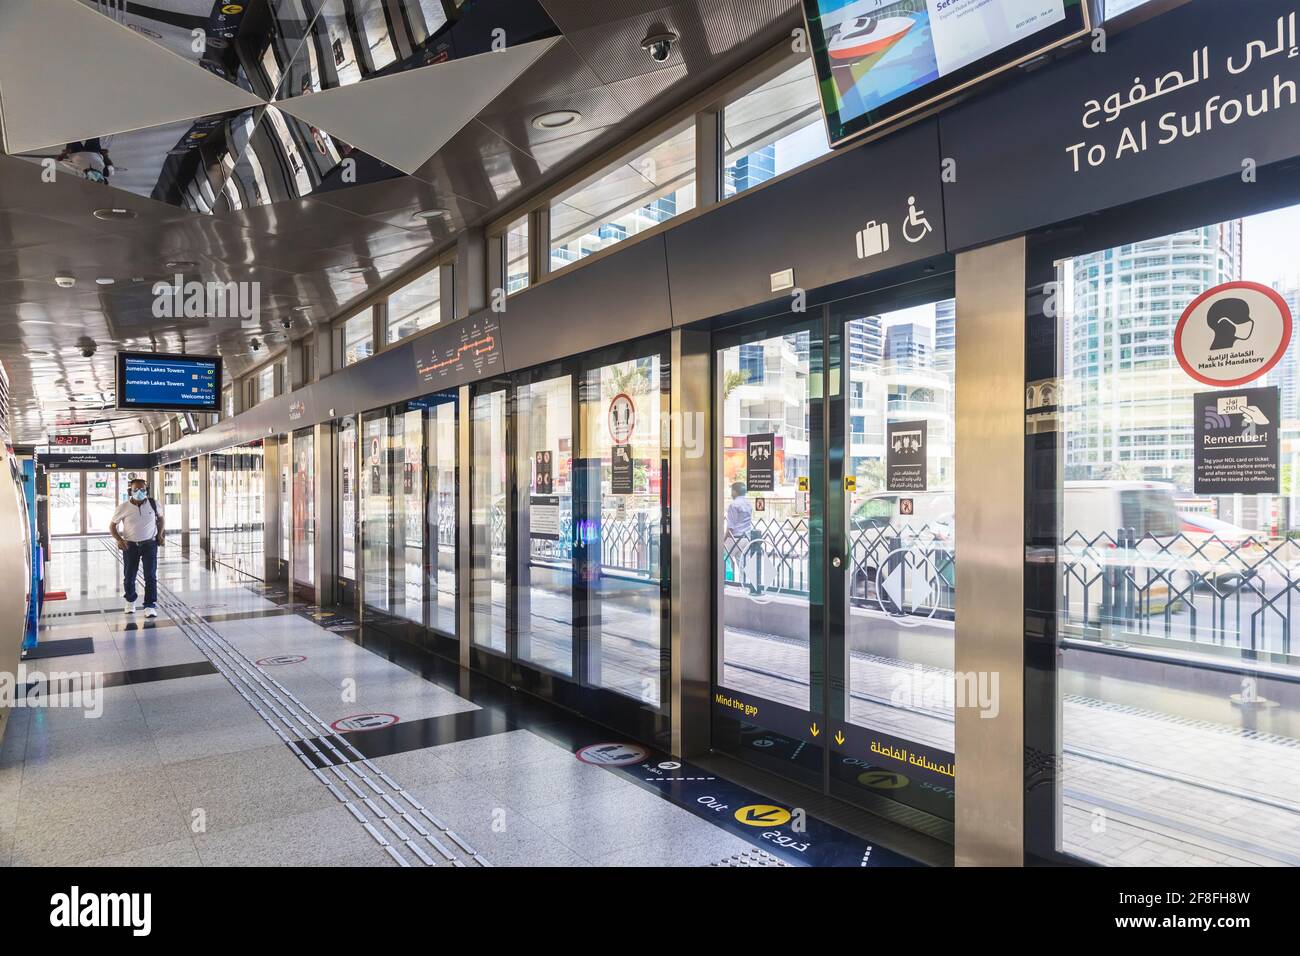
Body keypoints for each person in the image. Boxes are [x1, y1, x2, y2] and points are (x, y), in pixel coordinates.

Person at [109, 478, 165, 617]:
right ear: (130, 491)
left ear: (146, 490)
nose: (140, 492)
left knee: (150, 575)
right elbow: (112, 526)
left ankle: (149, 605)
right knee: (129, 576)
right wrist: (119, 540)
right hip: (131, 545)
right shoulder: (123, 507)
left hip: (149, 544)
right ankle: (130, 601)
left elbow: (161, 519)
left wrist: (160, 534)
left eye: (142, 490)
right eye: (136, 490)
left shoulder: (154, 504)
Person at [726, 481, 763, 594]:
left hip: (734, 538)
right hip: (746, 537)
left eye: (732, 490)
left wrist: (723, 539)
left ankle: (725, 582)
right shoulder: (748, 504)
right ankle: (744, 586)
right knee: (742, 561)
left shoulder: (733, 505)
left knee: (722, 556)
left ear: (735, 491)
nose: (731, 492)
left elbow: (730, 526)